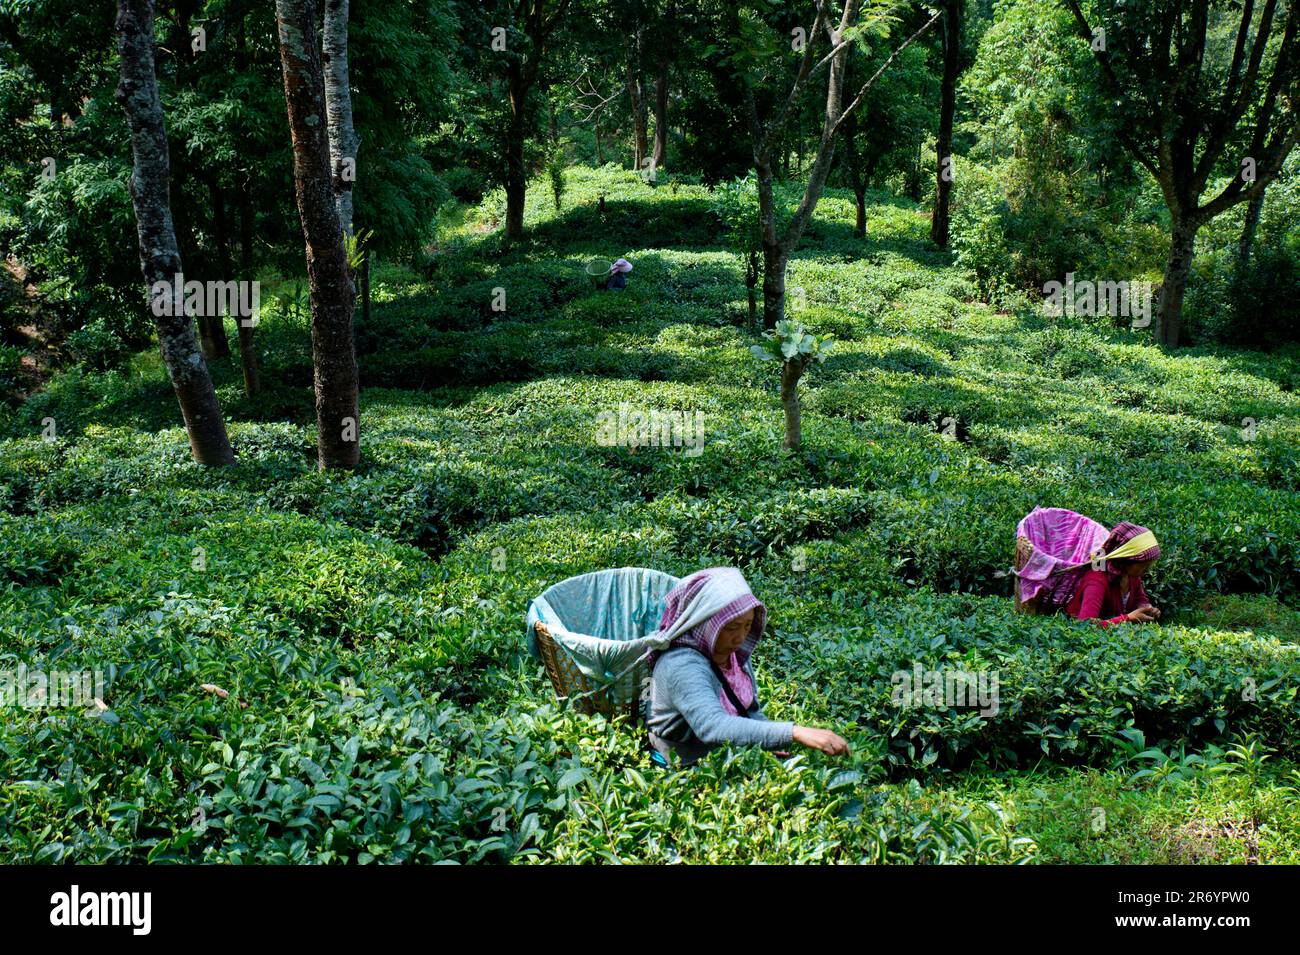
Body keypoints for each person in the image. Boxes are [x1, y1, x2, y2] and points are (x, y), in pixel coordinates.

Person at [644, 567, 850, 766]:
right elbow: (713, 727)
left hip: (726, 753)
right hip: (686, 761)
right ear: (706, 624)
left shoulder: (731, 652)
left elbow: (749, 709)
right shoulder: (682, 665)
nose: (741, 638)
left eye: (748, 625)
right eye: (731, 627)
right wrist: (794, 732)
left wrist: (768, 738)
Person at [1066, 522, 1162, 626]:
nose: (1147, 570)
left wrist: (1145, 607)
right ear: (1126, 560)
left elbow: (1140, 597)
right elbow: (1085, 625)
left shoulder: (1131, 576)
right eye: (1144, 565)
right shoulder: (1096, 581)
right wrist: (1128, 618)